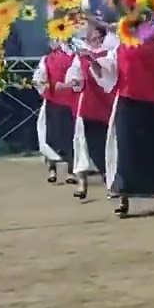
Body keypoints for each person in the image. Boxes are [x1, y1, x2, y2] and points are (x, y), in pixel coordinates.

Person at [96, 22, 154, 216]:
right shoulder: (121, 48)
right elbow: (109, 73)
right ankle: (124, 198)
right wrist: (93, 62)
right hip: (130, 102)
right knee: (127, 152)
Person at [66, 21, 116, 200]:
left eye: (97, 36)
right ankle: (82, 183)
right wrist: (73, 81)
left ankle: (111, 182)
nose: (94, 39)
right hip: (88, 105)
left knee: (109, 146)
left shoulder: (111, 53)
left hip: (110, 104)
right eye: (91, 36)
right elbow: (74, 74)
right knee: (83, 145)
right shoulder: (81, 57)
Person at [32, 40, 78, 185]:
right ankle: (52, 169)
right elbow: (40, 77)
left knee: (70, 137)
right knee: (50, 136)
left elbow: (78, 77)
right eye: (52, 40)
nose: (55, 42)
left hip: (70, 103)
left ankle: (71, 171)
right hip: (53, 102)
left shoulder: (73, 56)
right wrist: (41, 83)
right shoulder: (46, 60)